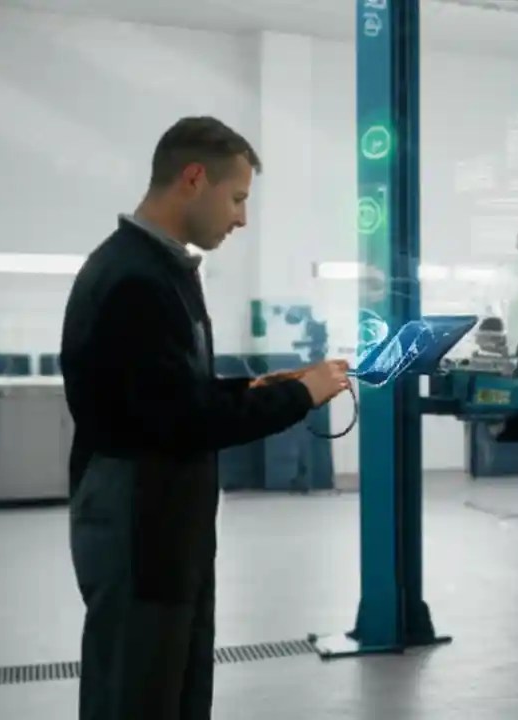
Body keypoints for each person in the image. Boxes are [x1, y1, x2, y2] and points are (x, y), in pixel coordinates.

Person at [59, 116, 350, 719]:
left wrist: (258, 386)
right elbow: (181, 418)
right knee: (136, 693)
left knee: (173, 684)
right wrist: (300, 397)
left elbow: (169, 389)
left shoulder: (162, 270)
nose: (241, 218)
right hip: (139, 517)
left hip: (166, 516)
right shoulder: (134, 279)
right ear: (194, 178)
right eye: (237, 198)